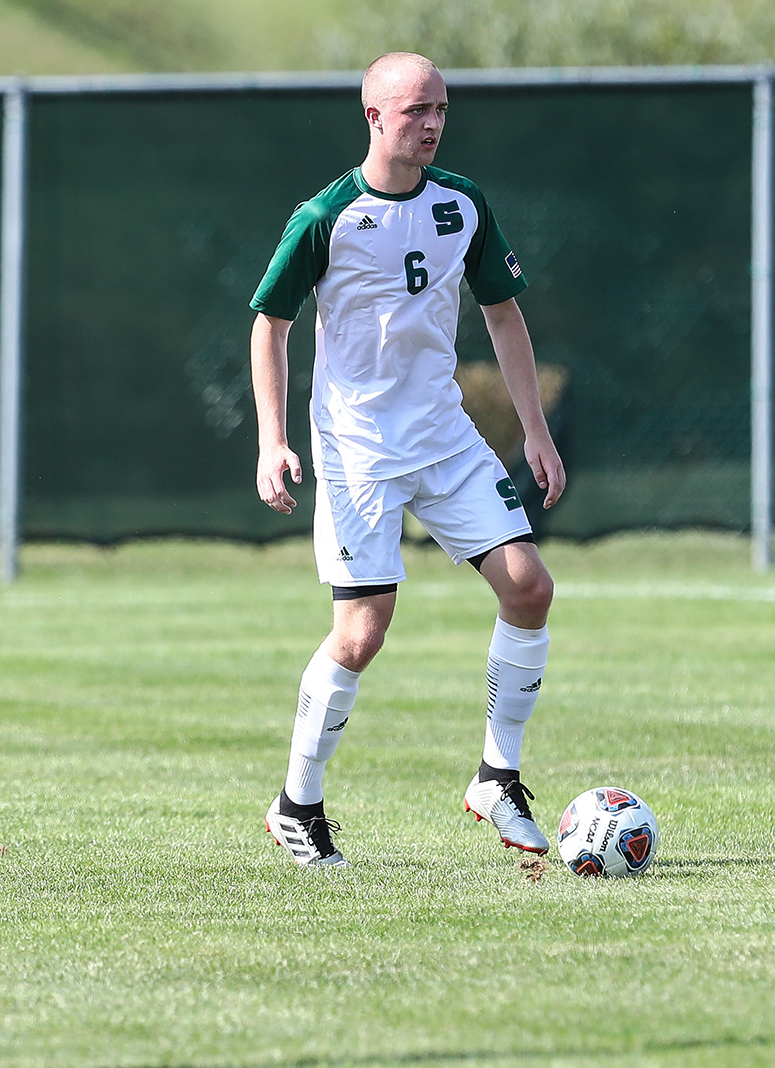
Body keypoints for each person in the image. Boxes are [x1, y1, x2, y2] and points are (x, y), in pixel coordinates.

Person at [248, 52, 566, 868]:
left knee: (529, 586)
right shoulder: (326, 216)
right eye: (416, 109)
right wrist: (273, 439)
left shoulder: (464, 203)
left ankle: (497, 778)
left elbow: (504, 316)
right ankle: (297, 805)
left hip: (446, 436)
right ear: (373, 118)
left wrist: (534, 428)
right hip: (358, 449)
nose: (431, 123)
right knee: (361, 632)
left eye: (441, 110)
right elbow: (270, 327)